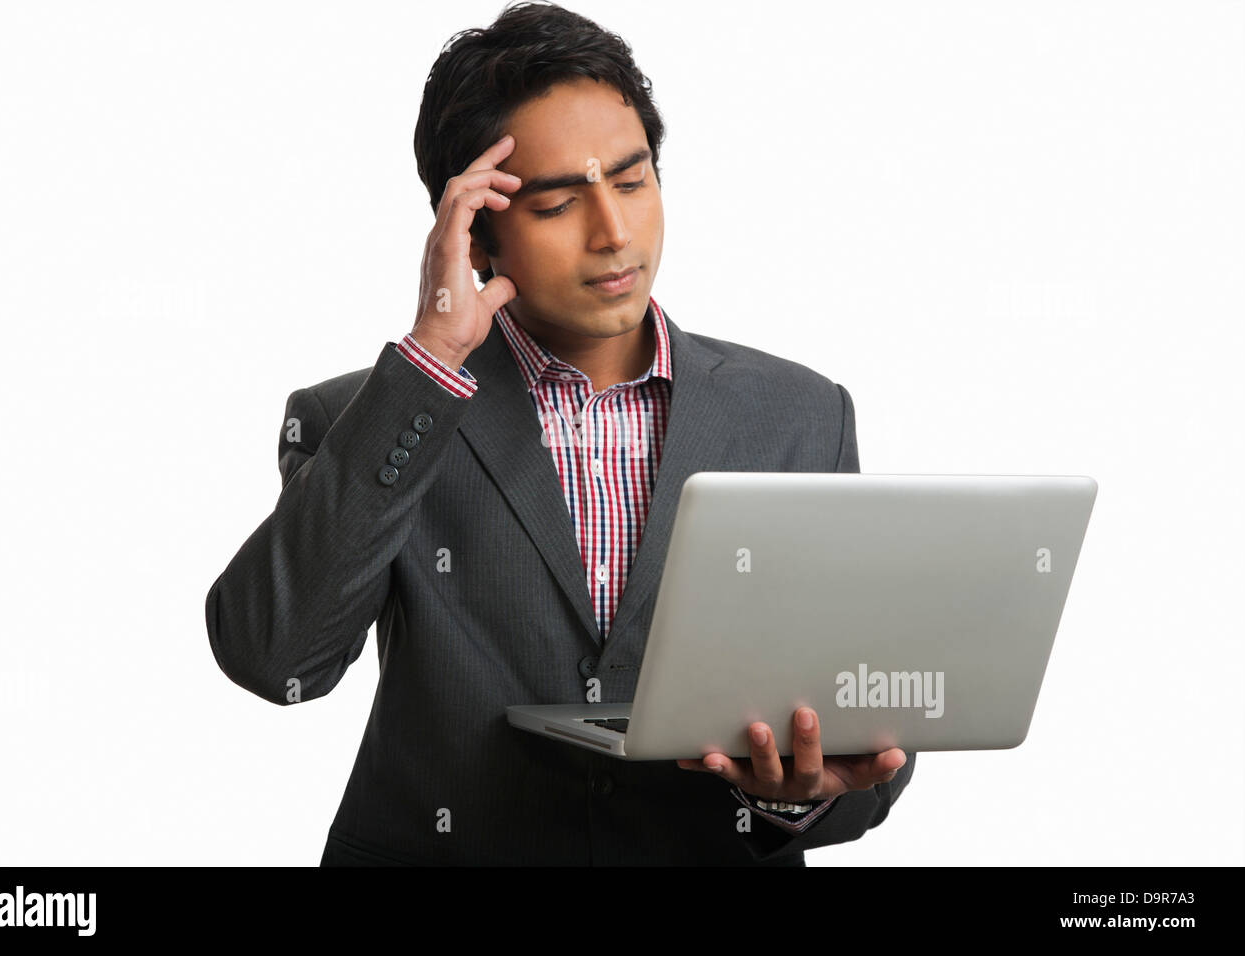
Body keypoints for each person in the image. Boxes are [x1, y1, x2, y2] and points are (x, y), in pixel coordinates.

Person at [205, 0, 914, 866]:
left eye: (631, 180)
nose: (613, 233)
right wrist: (430, 361)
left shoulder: (800, 415)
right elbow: (275, 657)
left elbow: (867, 722)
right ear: (475, 235)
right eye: (555, 205)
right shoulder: (372, 417)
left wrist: (800, 795)